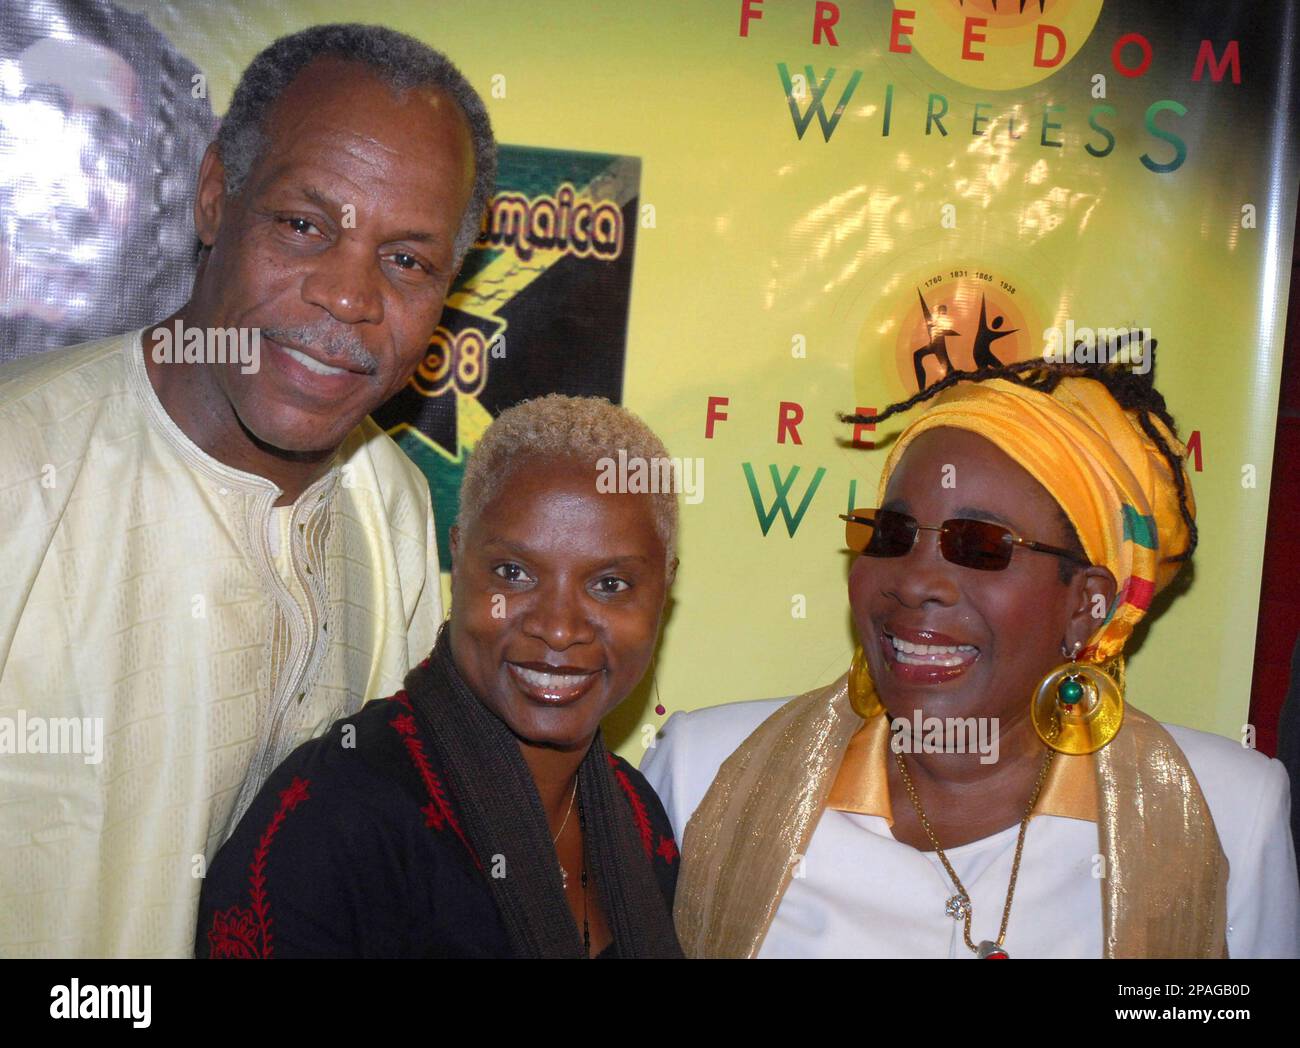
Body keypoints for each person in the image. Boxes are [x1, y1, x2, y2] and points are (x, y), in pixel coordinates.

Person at [0, 23, 496, 957]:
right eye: (305, 225)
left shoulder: (390, 510)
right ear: (216, 194)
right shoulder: (19, 468)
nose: (347, 298)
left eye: (407, 261)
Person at [643, 354, 1300, 958]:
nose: (914, 579)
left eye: (981, 545)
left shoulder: (1224, 816)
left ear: (1086, 605)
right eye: (893, 534)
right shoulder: (706, 774)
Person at [196, 396, 683, 958]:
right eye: (514, 573)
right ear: (458, 558)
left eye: (610, 585)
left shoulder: (637, 817)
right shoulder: (339, 818)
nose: (557, 628)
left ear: (664, 591)